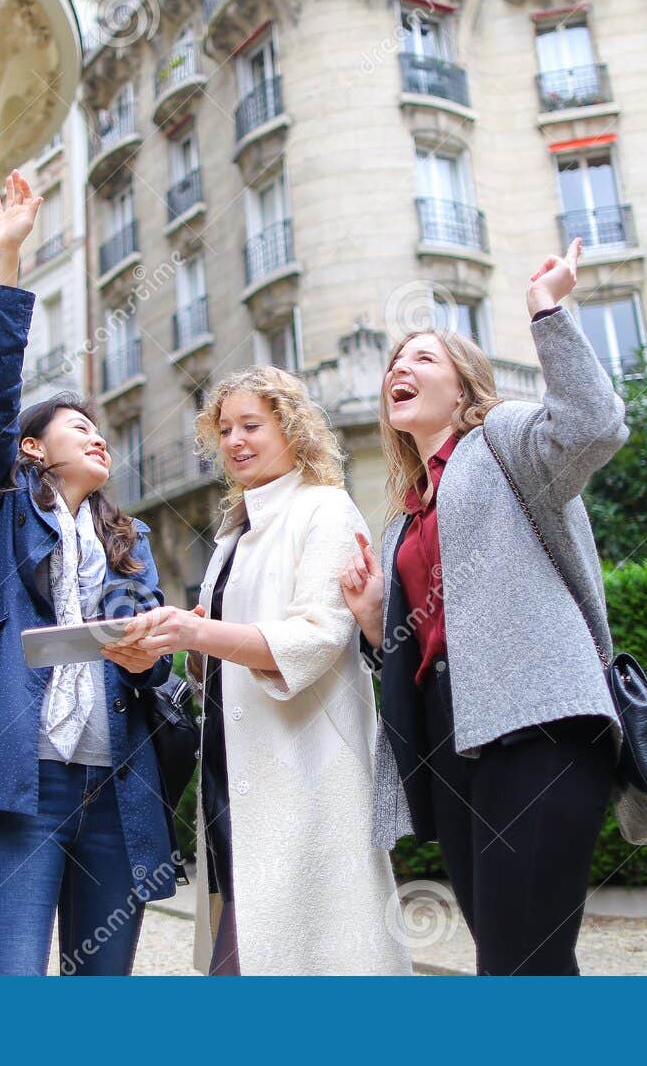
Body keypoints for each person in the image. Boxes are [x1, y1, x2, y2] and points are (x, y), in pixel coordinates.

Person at [340, 238, 630, 975]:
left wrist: (546, 310)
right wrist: (375, 622)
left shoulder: (504, 440)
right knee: (517, 958)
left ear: (465, 385)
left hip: (538, 720)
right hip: (452, 740)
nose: (399, 370)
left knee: (517, 957)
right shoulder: (405, 515)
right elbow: (422, 642)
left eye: (422, 359)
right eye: (393, 365)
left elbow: (594, 426)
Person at [0, 169, 178, 975]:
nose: (97, 436)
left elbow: (156, 661)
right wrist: (6, 261)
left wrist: (148, 652)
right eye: (78, 426)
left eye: (100, 430)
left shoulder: (130, 538)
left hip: (116, 788)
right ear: (33, 447)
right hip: (18, 783)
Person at [111, 366, 411, 975]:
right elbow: (221, 657)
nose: (234, 441)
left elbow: (316, 637)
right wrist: (180, 646)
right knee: (256, 947)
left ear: (292, 429)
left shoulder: (327, 510)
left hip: (306, 768)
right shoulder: (234, 533)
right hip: (233, 765)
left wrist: (197, 633)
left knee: (313, 953)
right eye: (224, 430)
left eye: (251, 425)